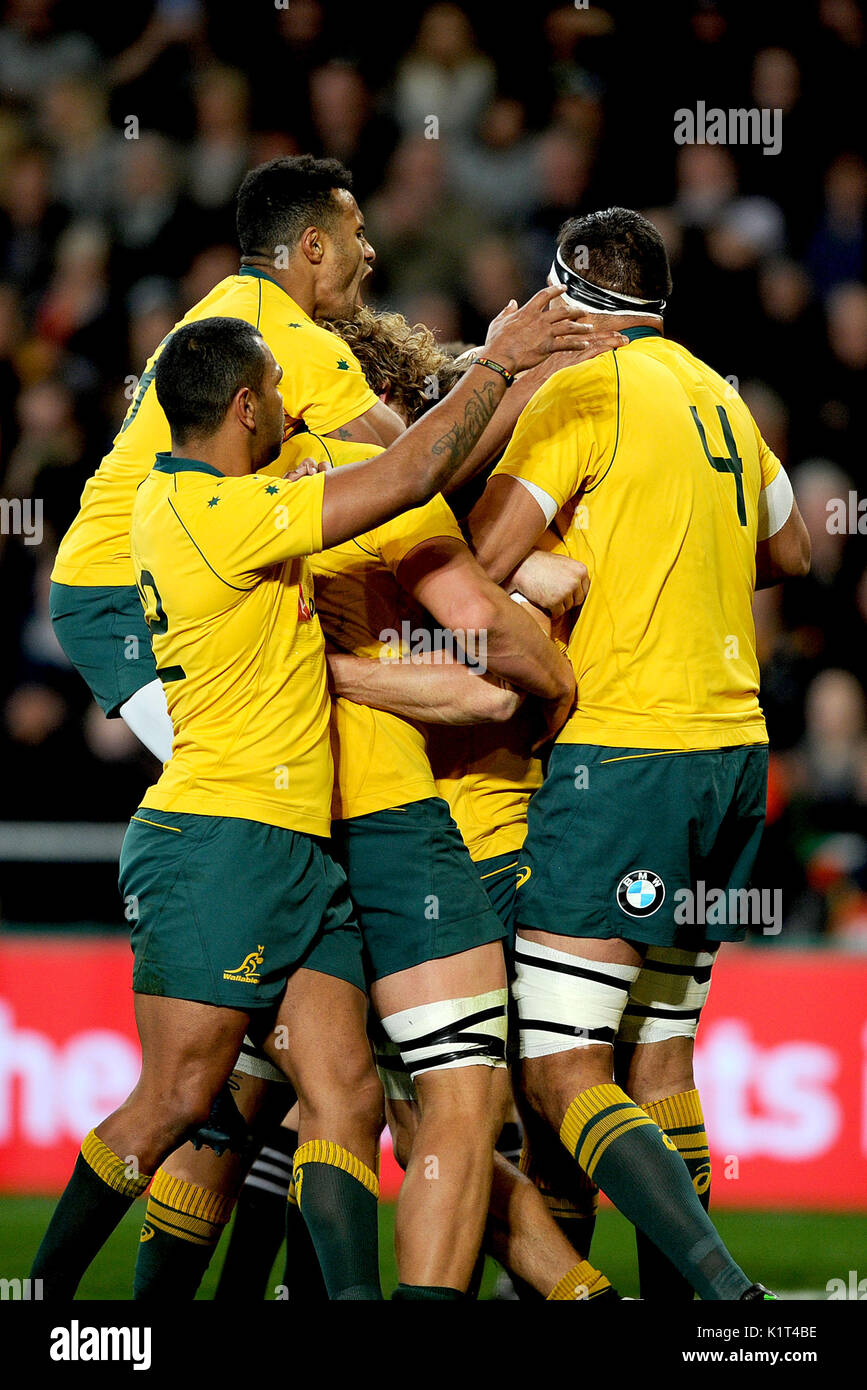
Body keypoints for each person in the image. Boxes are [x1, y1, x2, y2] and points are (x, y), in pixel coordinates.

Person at [30, 282, 589, 1300]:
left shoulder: (233, 485)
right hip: (218, 838)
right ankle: (48, 1299)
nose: (295, 406)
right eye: (280, 391)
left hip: (300, 848)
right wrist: (504, 363)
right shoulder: (216, 510)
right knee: (177, 1099)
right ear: (244, 408)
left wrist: (488, 397)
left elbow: (401, 453)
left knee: (342, 1096)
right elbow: (410, 468)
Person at [466, 207, 811, 1301]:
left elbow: (482, 558)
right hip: (735, 755)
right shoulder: (719, 391)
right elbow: (794, 548)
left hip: (628, 754)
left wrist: (553, 570)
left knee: (563, 1061)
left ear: (568, 295)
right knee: (658, 1056)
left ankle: (723, 1296)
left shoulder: (583, 391)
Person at [48, 154, 405, 766]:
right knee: (236, 786)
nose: (370, 253)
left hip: (171, 571)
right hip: (122, 588)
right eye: (359, 234)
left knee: (275, 784)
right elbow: (415, 465)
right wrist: (501, 374)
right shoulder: (285, 335)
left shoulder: (233, 304)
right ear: (314, 245)